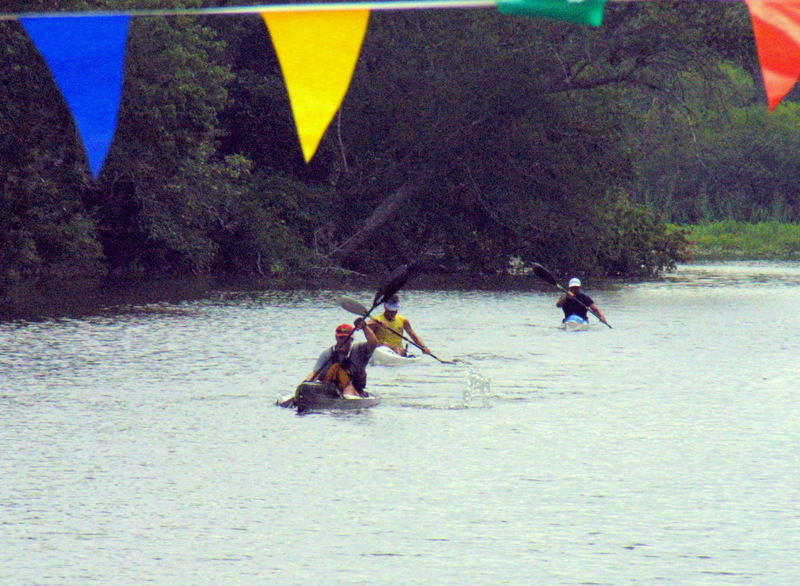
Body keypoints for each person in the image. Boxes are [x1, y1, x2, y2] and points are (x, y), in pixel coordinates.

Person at [304, 318, 379, 397]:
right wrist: (305, 385)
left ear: (352, 339)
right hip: (330, 389)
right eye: (341, 338)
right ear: (336, 337)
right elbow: (315, 373)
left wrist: (364, 327)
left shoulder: (359, 350)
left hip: (354, 389)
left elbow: (373, 343)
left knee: (348, 391)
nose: (344, 341)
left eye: (347, 338)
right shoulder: (327, 353)